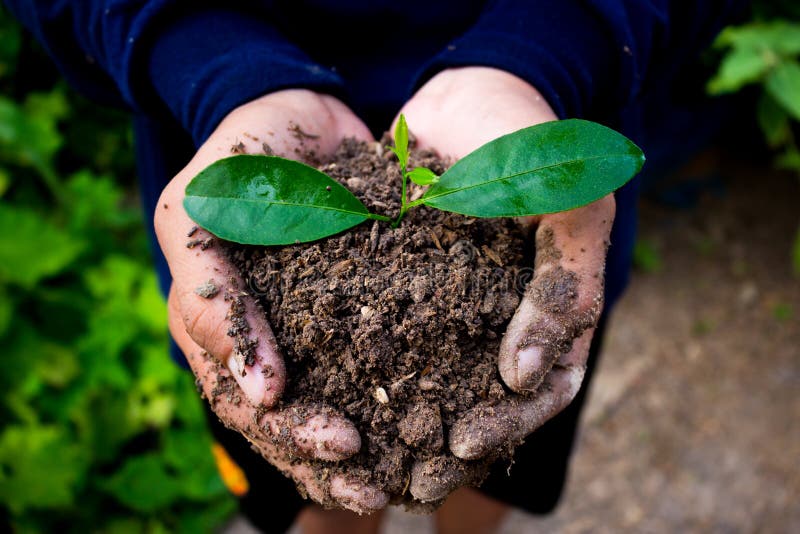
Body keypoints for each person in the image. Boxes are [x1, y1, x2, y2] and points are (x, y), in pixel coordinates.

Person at [5, 1, 747, 532]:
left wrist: (548, 49)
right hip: (236, 159)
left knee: (505, 437)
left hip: (534, 171)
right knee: (316, 488)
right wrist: (215, 63)